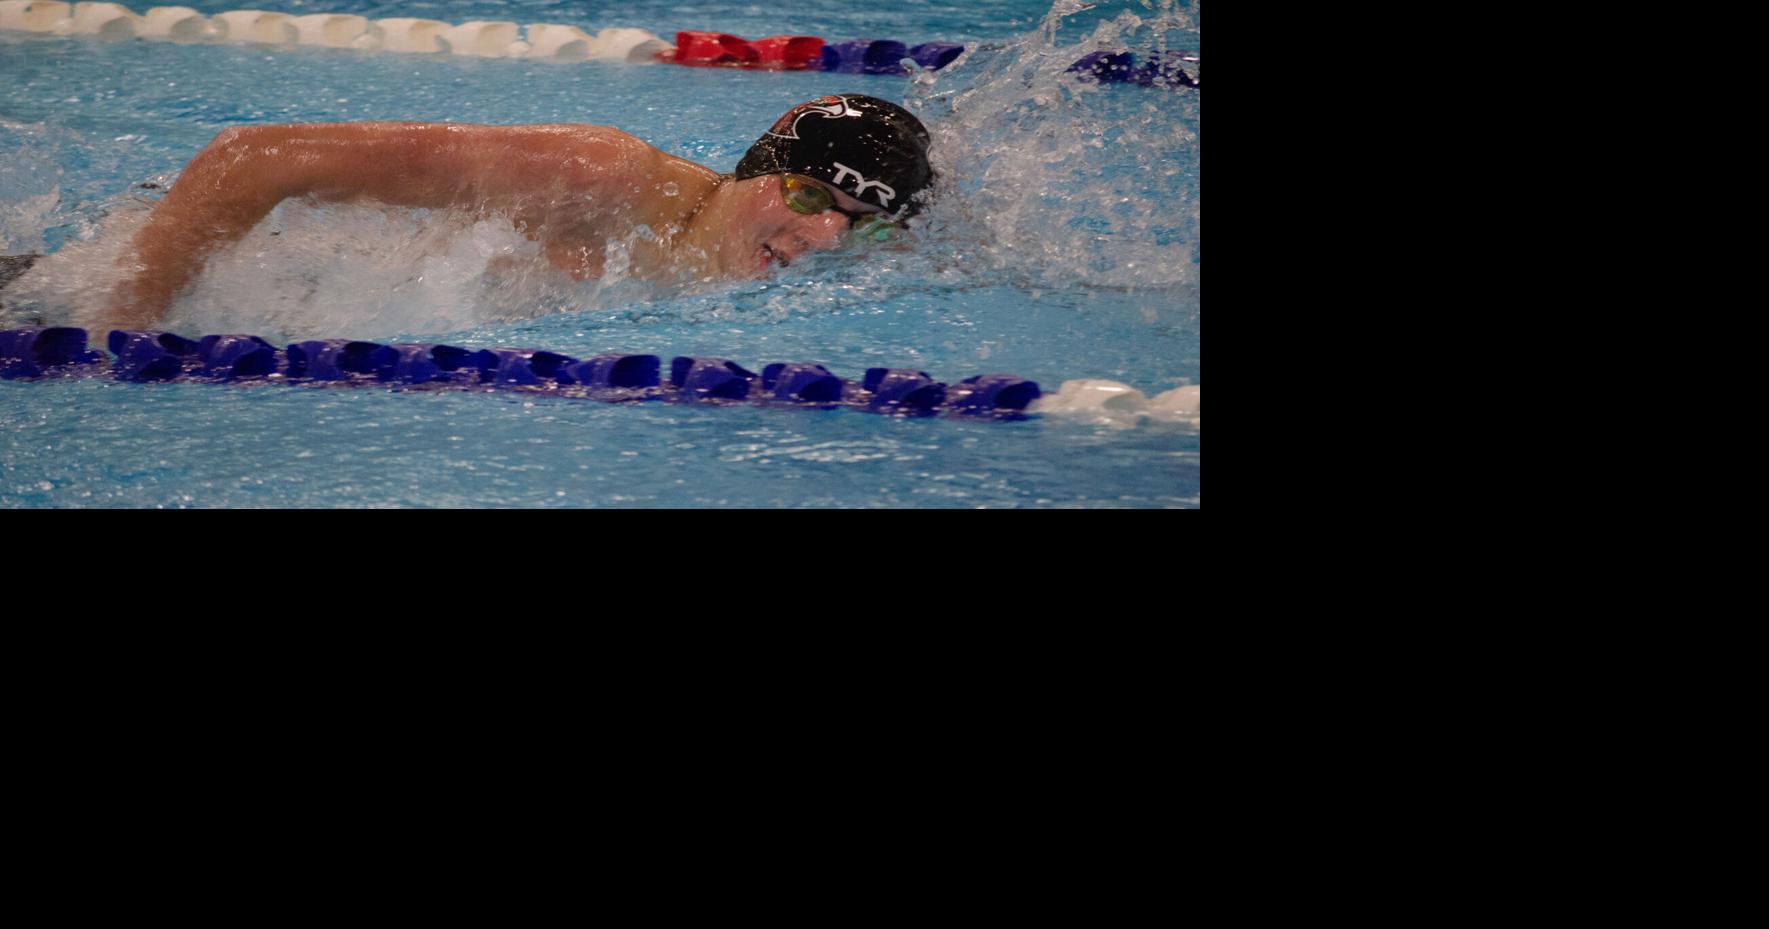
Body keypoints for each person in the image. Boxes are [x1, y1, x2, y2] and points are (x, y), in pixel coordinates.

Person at [97, 94, 934, 330]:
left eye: (858, 222)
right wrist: (123, 324)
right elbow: (251, 158)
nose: (822, 237)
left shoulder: (770, 274)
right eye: (807, 196)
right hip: (163, 272)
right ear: (758, 169)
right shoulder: (598, 179)